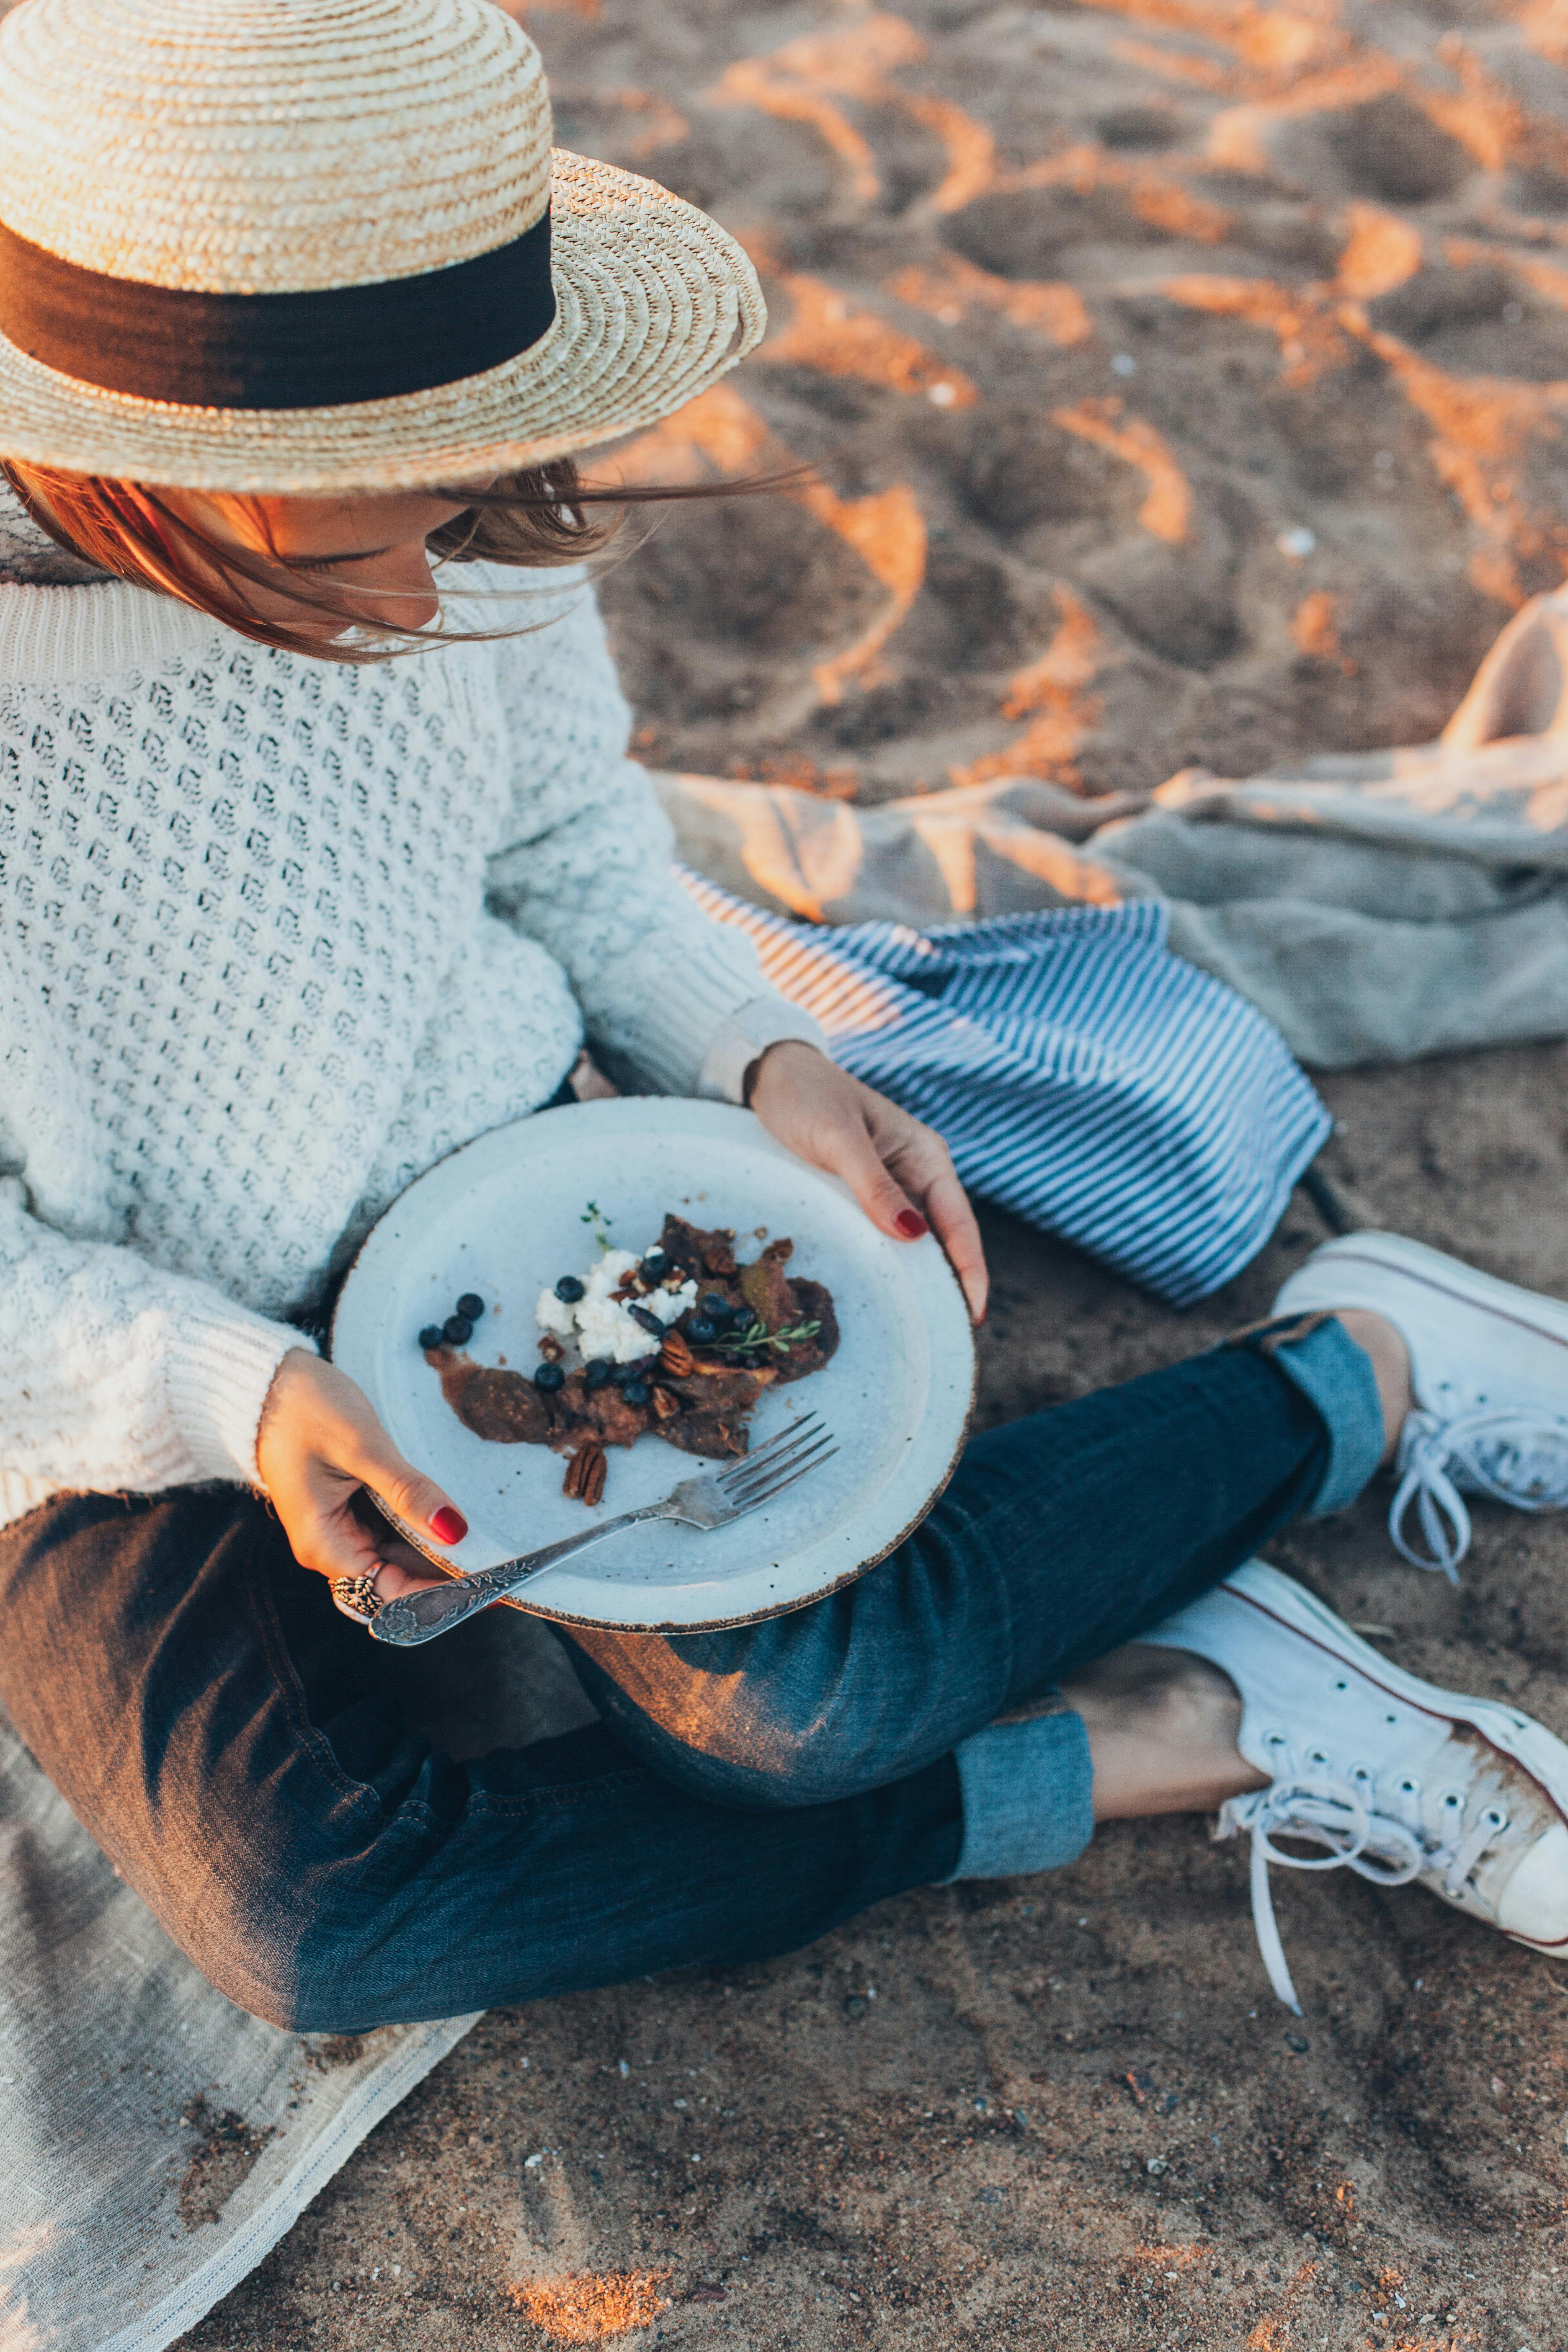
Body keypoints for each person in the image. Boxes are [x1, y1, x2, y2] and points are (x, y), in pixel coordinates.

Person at [1, 0, 1566, 2035]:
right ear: (152, 467)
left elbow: (574, 845)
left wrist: (761, 1054)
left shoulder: (460, 486)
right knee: (315, 1922)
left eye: (481, 511)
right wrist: (239, 1396)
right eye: (384, 537)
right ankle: (1119, 1742)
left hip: (496, 1191)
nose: (434, 598)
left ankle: (1362, 1365)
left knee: (817, 1710)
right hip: (102, 1377)